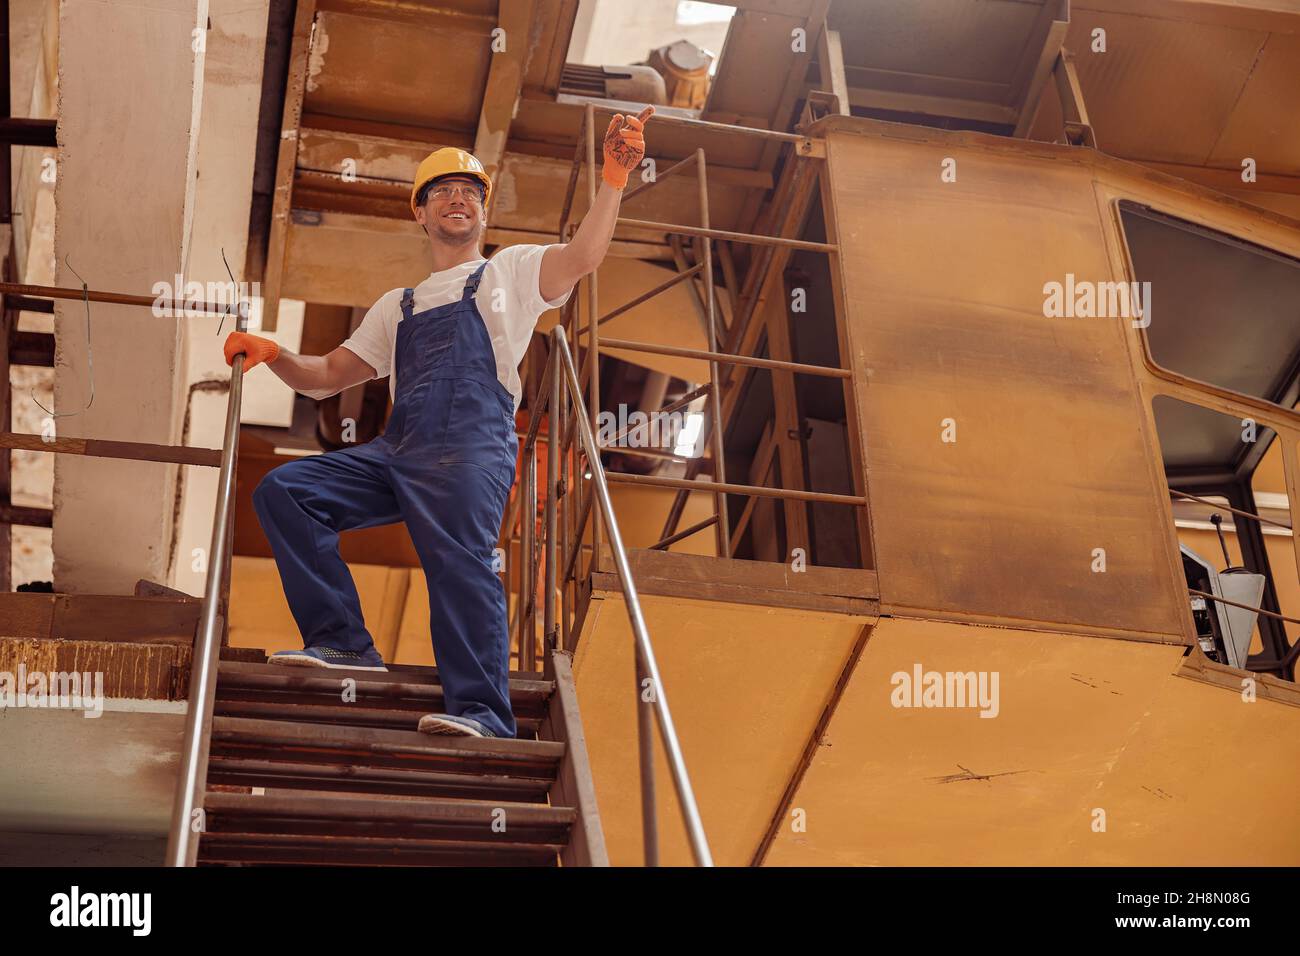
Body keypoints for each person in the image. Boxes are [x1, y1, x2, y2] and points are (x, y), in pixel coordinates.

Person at [222, 107, 655, 738]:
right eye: (442, 192)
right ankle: (343, 643)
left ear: (483, 213)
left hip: (469, 444)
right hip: (399, 449)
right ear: (419, 214)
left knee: (459, 562)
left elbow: (585, 255)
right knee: (287, 492)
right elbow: (324, 376)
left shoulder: (511, 272)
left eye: (470, 193)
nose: (458, 200)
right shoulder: (394, 307)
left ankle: (482, 712)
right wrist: (274, 354)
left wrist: (614, 177)